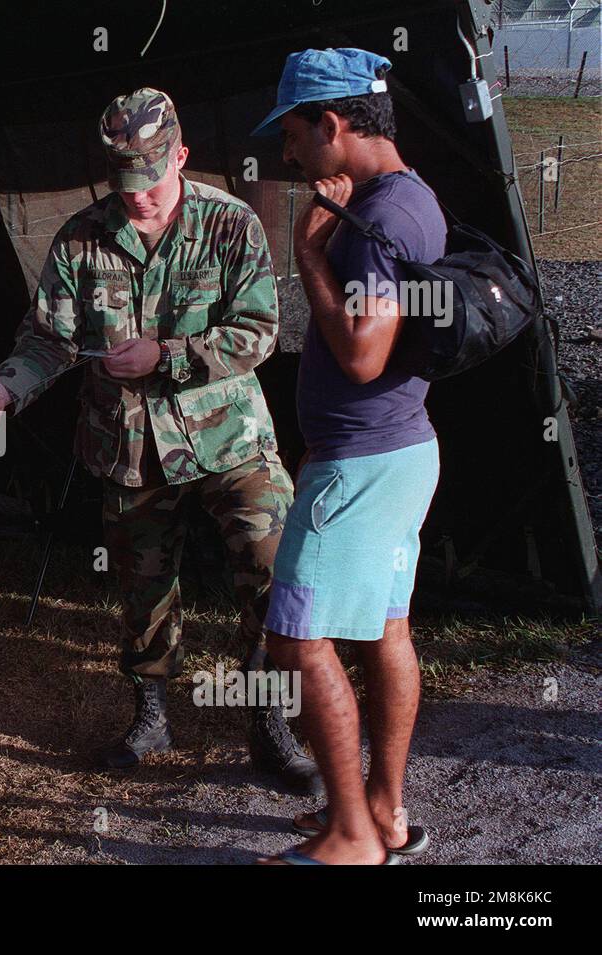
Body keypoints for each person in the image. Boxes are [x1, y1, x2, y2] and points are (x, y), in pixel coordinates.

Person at [0, 88, 320, 793]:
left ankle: (269, 716)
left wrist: (167, 355)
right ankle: (151, 712)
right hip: (128, 449)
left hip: (229, 441)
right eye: (124, 184)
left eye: (150, 183)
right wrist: (6, 387)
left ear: (180, 157)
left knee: (275, 571)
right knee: (142, 591)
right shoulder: (81, 237)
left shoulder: (231, 224)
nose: (137, 199)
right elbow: (48, 340)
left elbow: (258, 331)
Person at [251, 48, 445, 864]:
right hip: (396, 454)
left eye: (295, 136)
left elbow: (364, 354)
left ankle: (353, 835)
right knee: (384, 629)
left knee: (297, 639)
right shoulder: (413, 199)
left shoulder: (377, 219)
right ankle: (384, 811)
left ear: (332, 124)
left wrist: (305, 258)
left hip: (361, 466)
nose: (289, 155)